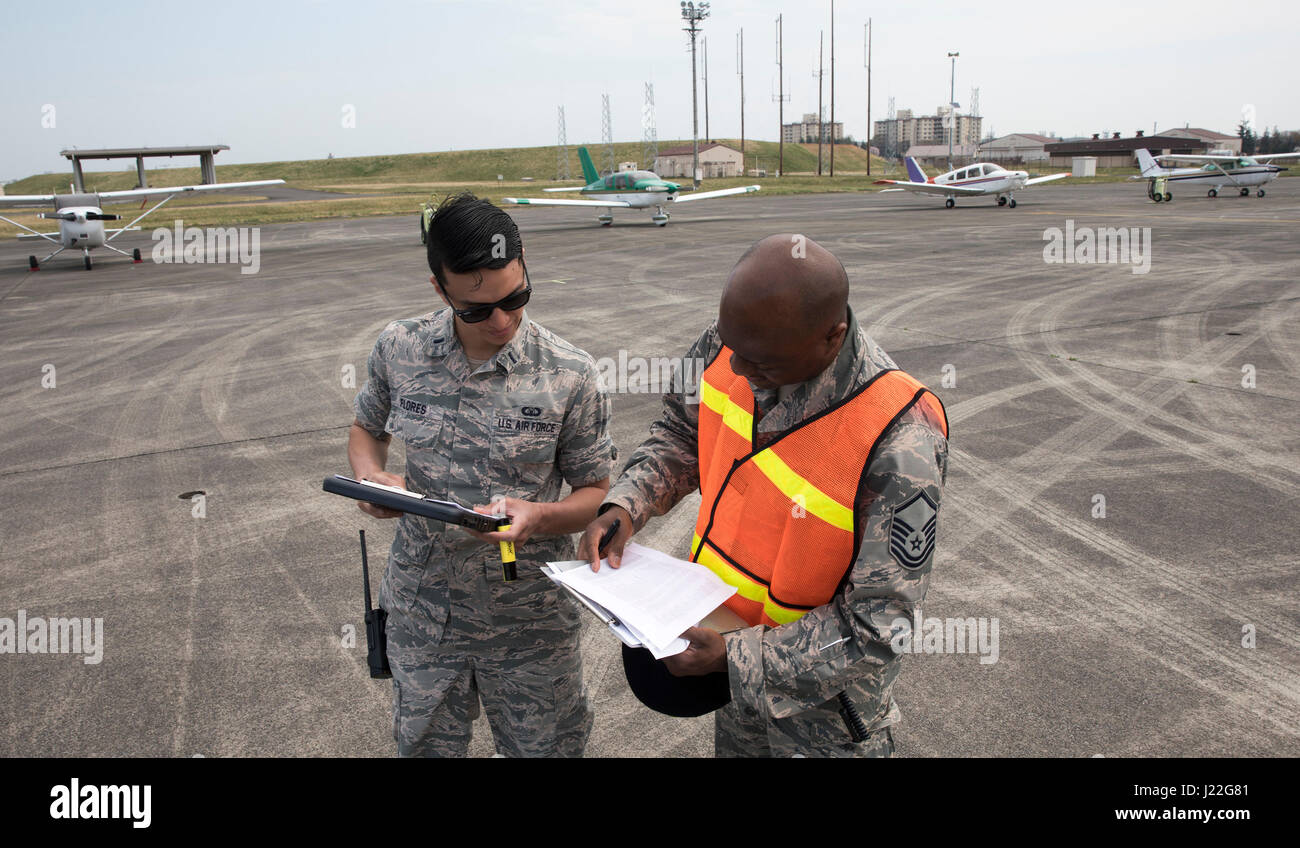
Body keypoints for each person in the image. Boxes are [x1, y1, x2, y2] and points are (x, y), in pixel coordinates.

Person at [579, 234, 949, 757]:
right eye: (733, 350)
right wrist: (626, 502)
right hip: (730, 675)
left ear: (831, 337)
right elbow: (681, 434)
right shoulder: (734, 344)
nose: (738, 372)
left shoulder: (899, 438)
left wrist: (735, 658)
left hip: (825, 715)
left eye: (762, 365)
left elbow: (879, 625)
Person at [349, 192, 615, 757]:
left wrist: (539, 516)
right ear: (440, 291)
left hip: (529, 619)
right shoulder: (399, 348)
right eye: (476, 309)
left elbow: (596, 493)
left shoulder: (570, 373)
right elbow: (367, 428)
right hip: (425, 611)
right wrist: (371, 478)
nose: (501, 320)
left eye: (515, 298)